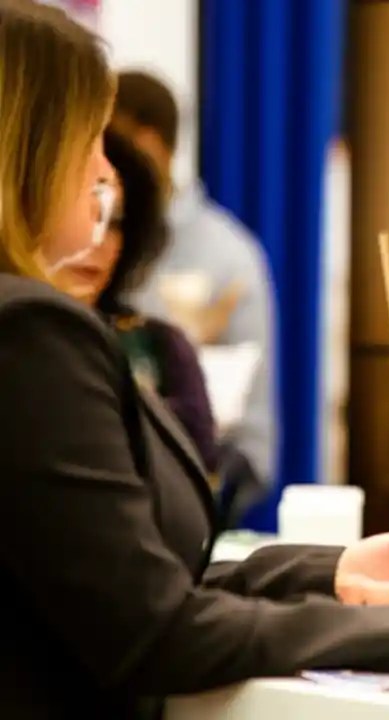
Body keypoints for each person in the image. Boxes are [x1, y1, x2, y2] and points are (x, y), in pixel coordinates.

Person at [0, 4, 389, 716]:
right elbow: (147, 628)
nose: (104, 170)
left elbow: (117, 582)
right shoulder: (30, 334)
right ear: (33, 146)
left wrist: (328, 573)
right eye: (89, 137)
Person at [111, 69, 278, 521]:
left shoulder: (227, 255)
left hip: (191, 499)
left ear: (150, 142)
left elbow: (252, 444)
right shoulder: (73, 251)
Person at [50, 126, 221, 473]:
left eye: (114, 222)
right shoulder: (18, 335)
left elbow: (203, 478)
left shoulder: (160, 346)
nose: (96, 240)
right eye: (84, 216)